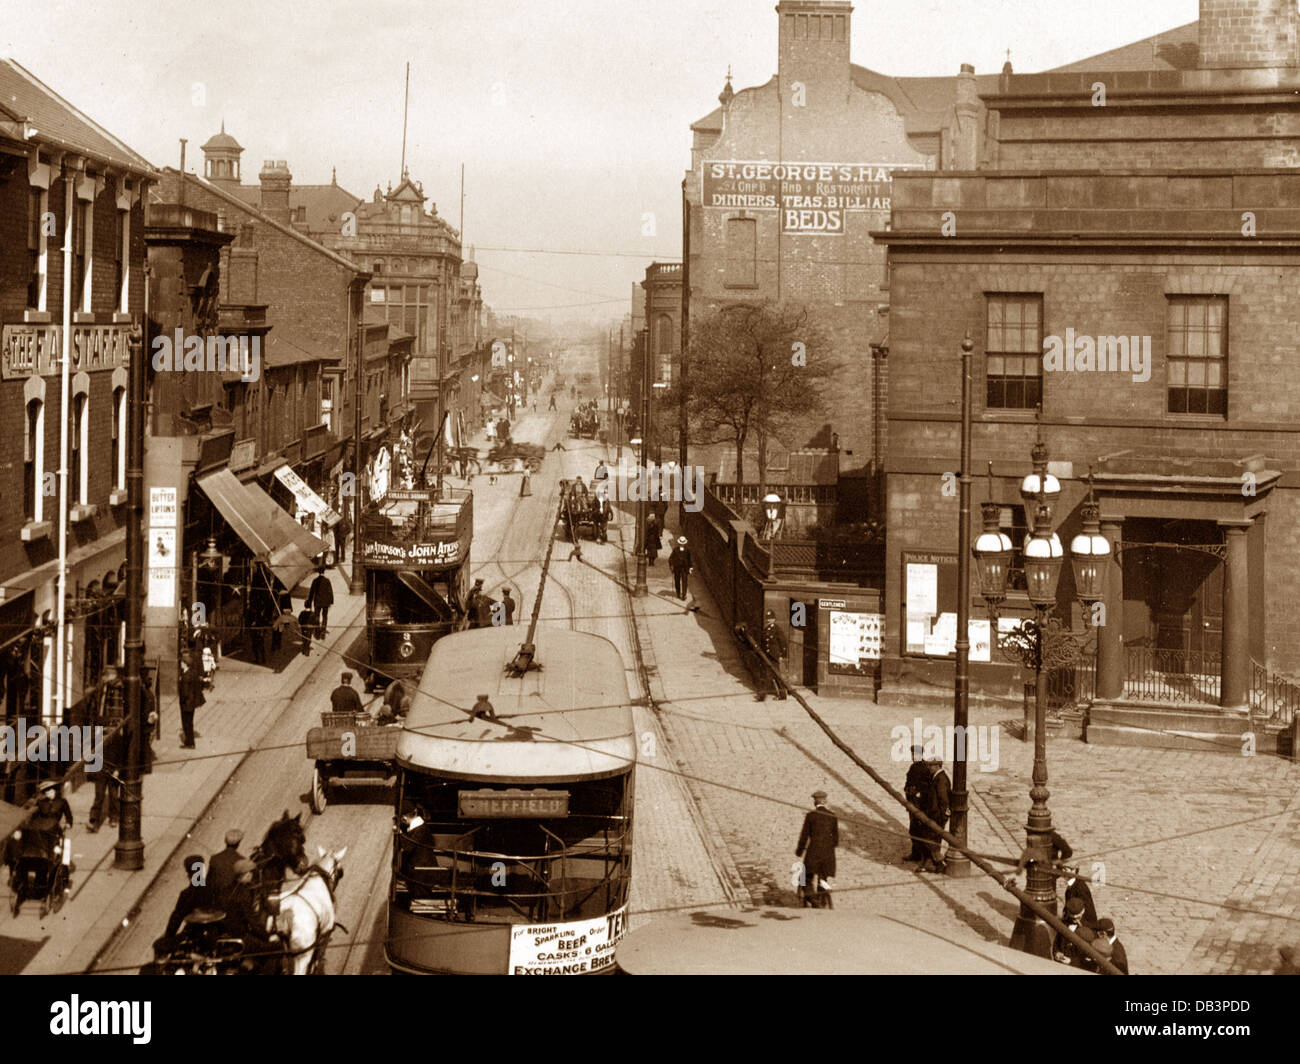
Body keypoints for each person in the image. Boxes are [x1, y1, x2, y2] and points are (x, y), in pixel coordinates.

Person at [160, 855, 217, 945]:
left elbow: (177, 918)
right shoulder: (213, 888)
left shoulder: (187, 894)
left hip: (194, 933)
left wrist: (168, 936)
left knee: (159, 944)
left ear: (188, 873)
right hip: (214, 931)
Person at [795, 790, 838, 902]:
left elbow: (804, 836)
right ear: (825, 801)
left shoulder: (811, 816)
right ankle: (823, 893)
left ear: (815, 801)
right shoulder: (833, 816)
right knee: (823, 877)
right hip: (828, 854)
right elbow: (836, 839)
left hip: (814, 852)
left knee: (805, 877)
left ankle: (812, 899)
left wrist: (799, 851)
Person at [918, 756, 951, 874]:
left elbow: (944, 800)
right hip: (933, 815)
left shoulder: (941, 779)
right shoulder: (937, 777)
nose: (929, 767)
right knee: (930, 839)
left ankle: (939, 863)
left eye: (931, 765)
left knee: (931, 839)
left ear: (937, 766)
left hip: (936, 816)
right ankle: (929, 862)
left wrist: (942, 817)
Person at [903, 745, 930, 863]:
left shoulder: (924, 768)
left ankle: (921, 855)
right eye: (913, 754)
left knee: (917, 828)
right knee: (913, 828)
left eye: (916, 754)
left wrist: (915, 792)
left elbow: (925, 786)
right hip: (912, 802)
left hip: (918, 804)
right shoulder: (914, 766)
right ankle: (916, 853)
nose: (914, 757)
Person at [1053, 897, 1098, 968]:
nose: (1075, 920)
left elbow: (1088, 959)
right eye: (1072, 918)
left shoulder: (1089, 929)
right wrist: (1057, 952)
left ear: (1083, 911)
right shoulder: (1064, 923)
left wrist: (1071, 961)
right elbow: (1057, 941)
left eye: (1077, 918)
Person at [206, 829, 246, 902]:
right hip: (232, 900)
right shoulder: (242, 860)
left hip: (215, 898)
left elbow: (208, 880)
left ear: (225, 841)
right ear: (238, 844)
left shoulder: (214, 858)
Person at [178, 649, 204, 749]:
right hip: (192, 703)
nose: (180, 664)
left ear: (184, 663)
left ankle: (189, 743)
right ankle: (190, 742)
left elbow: (184, 692)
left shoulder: (185, 676)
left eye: (181, 662)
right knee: (190, 722)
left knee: (186, 723)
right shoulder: (192, 673)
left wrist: (183, 698)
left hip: (186, 703)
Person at [760, 610, 788, 701]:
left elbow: (783, 643)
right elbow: (764, 643)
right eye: (767, 619)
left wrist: (782, 655)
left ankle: (762, 696)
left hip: (774, 656)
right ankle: (782, 694)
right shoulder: (766, 630)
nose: (769, 620)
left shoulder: (777, 630)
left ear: (774, 619)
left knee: (771, 675)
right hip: (767, 656)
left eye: (771, 619)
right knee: (774, 675)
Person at [305, 566, 334, 639]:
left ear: (318, 572)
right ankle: (323, 633)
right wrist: (331, 601)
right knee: (325, 617)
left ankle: (317, 633)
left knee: (317, 616)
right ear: (324, 572)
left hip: (317, 602)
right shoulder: (327, 580)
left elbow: (312, 592)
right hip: (325, 602)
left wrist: (309, 601)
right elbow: (330, 591)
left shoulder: (315, 581)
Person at [668, 536, 693, 600]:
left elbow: (689, 559)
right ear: (679, 543)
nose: (682, 544)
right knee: (677, 580)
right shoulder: (675, 550)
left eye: (683, 543)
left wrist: (690, 567)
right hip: (677, 568)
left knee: (685, 581)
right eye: (681, 543)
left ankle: (684, 594)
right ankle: (678, 593)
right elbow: (671, 559)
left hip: (684, 568)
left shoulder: (687, 550)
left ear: (684, 543)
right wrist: (671, 565)